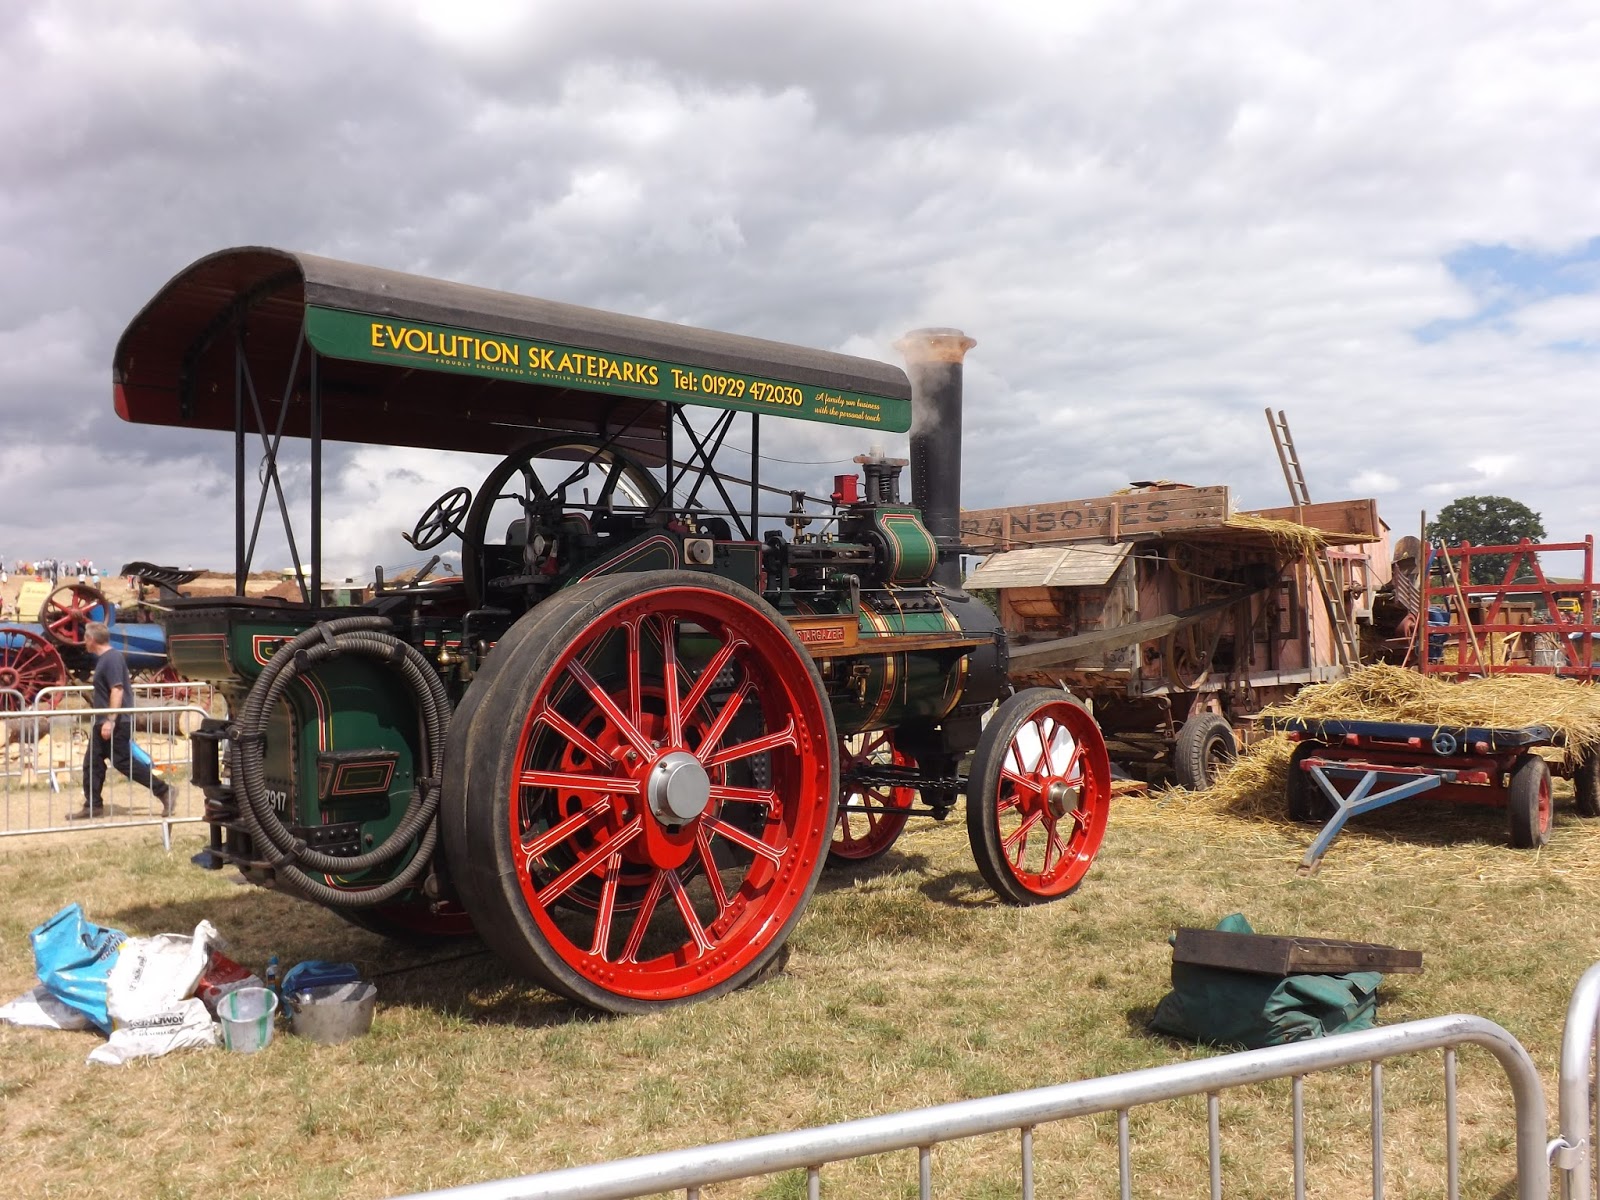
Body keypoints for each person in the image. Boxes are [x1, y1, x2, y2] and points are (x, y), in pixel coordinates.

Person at [70, 622, 173, 819]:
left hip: (115, 722)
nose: (84, 642)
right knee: (92, 762)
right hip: (104, 721)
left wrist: (111, 720)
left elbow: (117, 690)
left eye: (85, 639)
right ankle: (93, 805)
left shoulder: (112, 659)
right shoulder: (105, 659)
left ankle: (164, 791)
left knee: (123, 762)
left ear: (91, 639)